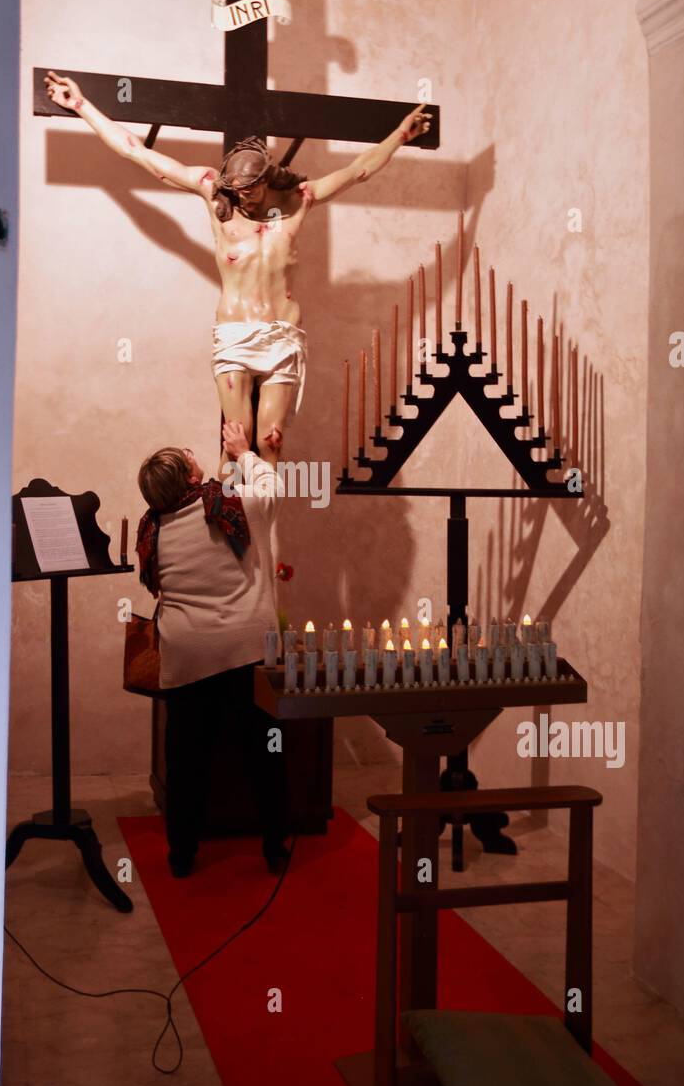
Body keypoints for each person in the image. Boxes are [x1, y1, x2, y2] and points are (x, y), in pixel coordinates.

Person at [44, 69, 432, 464]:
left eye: (251, 189)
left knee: (272, 442)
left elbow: (358, 170)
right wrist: (80, 105)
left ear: (267, 178)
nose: (243, 198)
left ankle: (260, 524)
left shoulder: (299, 200)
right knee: (236, 442)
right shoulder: (216, 194)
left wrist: (400, 135)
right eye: (237, 190)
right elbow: (138, 152)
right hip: (235, 335)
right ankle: (228, 523)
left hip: (281, 336)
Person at [136, 418, 288, 877]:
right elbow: (272, 489)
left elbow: (157, 585)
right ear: (190, 477)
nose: (194, 453)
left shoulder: (152, 529)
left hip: (187, 657)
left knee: (186, 764)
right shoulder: (229, 504)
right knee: (265, 753)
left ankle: (182, 855)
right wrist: (245, 451)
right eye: (189, 456)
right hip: (245, 650)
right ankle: (275, 850)